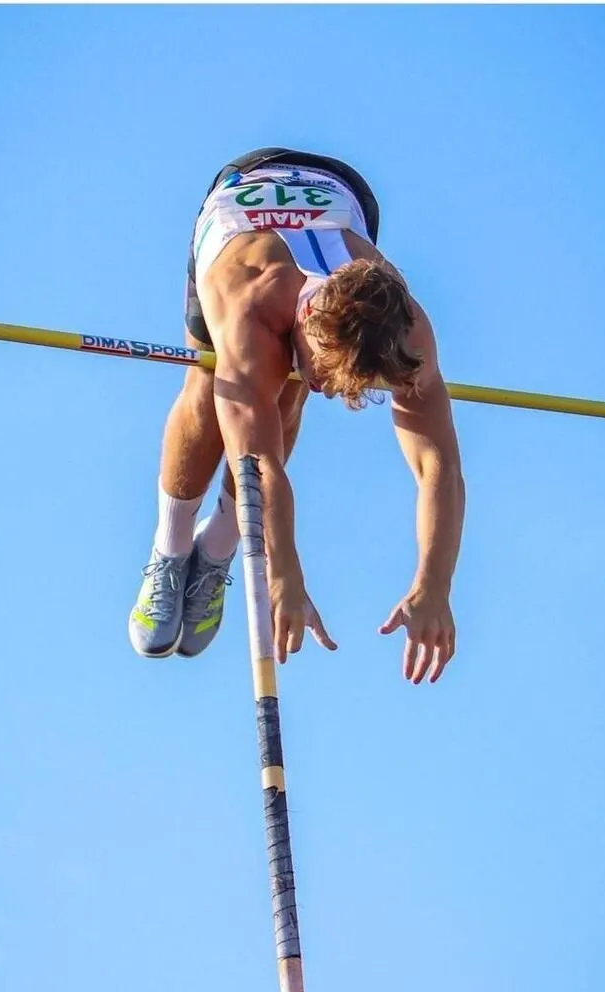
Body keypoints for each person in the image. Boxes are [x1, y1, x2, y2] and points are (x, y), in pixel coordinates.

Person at [128, 147, 466, 684]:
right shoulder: (249, 306)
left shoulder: (409, 329)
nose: (332, 392)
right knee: (211, 385)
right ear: (305, 322)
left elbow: (439, 467)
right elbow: (258, 464)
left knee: (290, 393)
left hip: (340, 193)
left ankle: (216, 550)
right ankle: (169, 551)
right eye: (326, 373)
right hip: (239, 214)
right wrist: (281, 571)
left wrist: (434, 584)